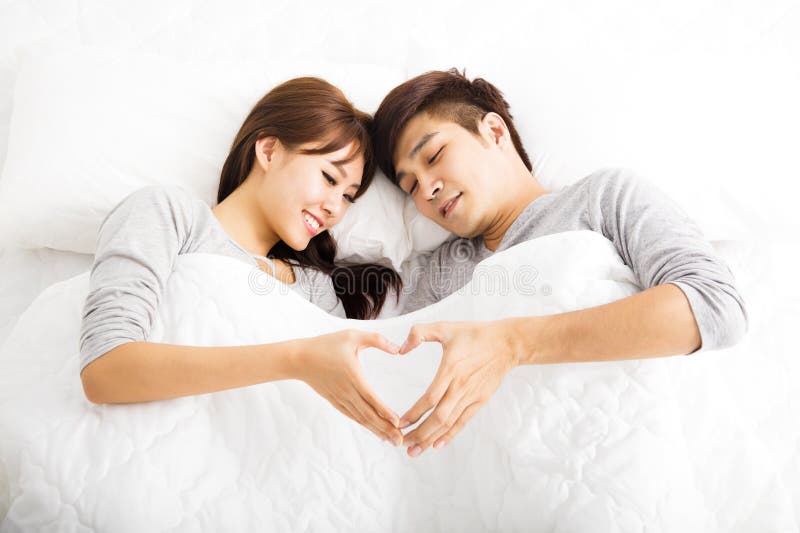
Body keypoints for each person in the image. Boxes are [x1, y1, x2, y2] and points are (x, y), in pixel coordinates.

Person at [371, 68, 749, 458]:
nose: (427, 189)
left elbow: (714, 306)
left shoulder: (602, 198)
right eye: (410, 186)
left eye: (434, 156)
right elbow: (397, 383)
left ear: (495, 132)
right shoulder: (437, 275)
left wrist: (513, 344)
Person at [79, 77, 406, 447]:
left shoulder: (315, 287)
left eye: (348, 196)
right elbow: (104, 369)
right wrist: (295, 360)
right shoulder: (171, 215)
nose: (335, 208)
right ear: (268, 151)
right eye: (329, 178)